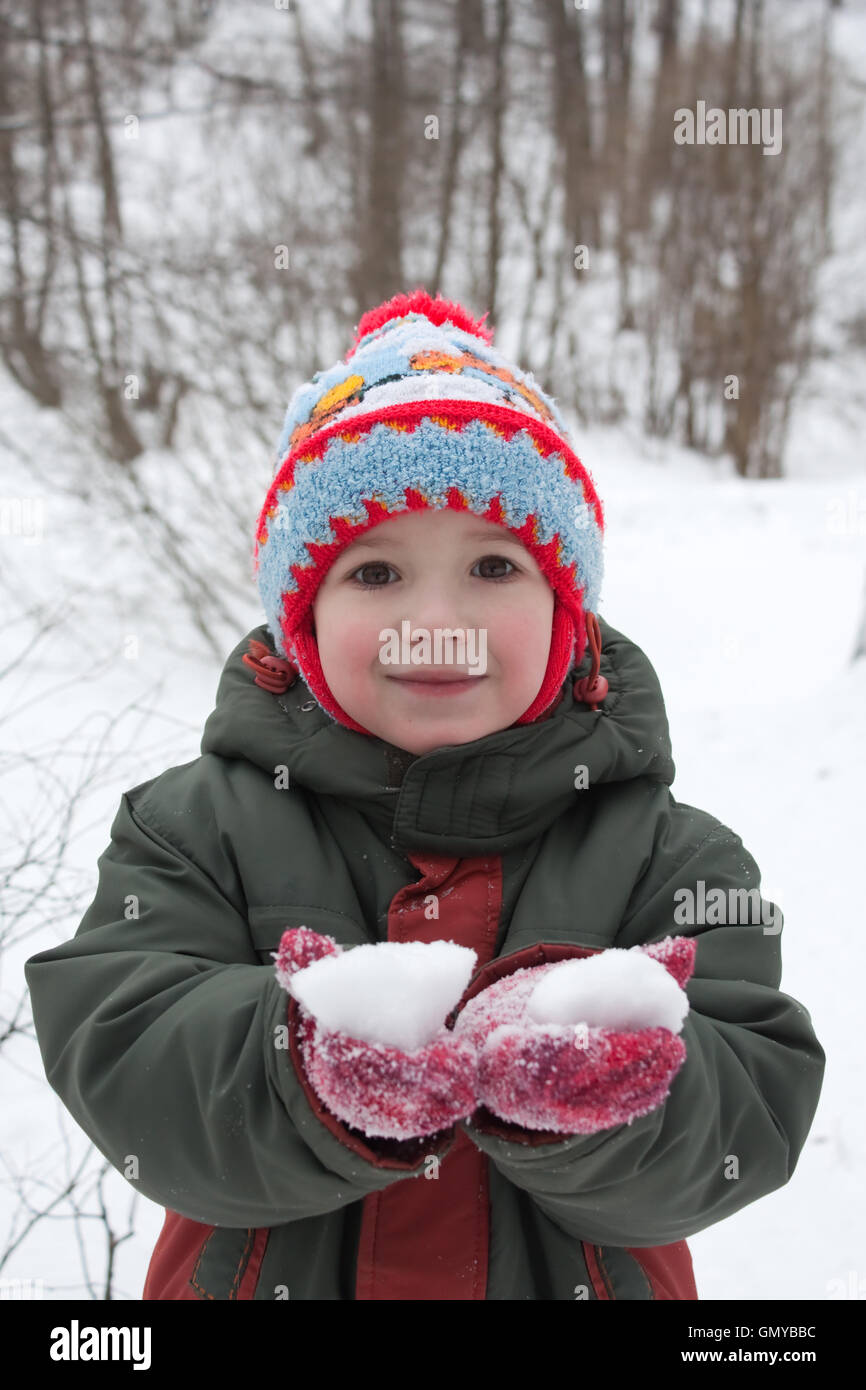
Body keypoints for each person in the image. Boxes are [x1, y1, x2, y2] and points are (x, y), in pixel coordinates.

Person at [25, 288, 825, 1301]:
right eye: (375, 574)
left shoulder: (676, 859)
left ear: (565, 611)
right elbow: (123, 1042)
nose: (434, 620)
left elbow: (748, 1106)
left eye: (493, 564)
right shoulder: (193, 830)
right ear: (303, 622)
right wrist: (300, 1064)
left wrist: (603, 1088)